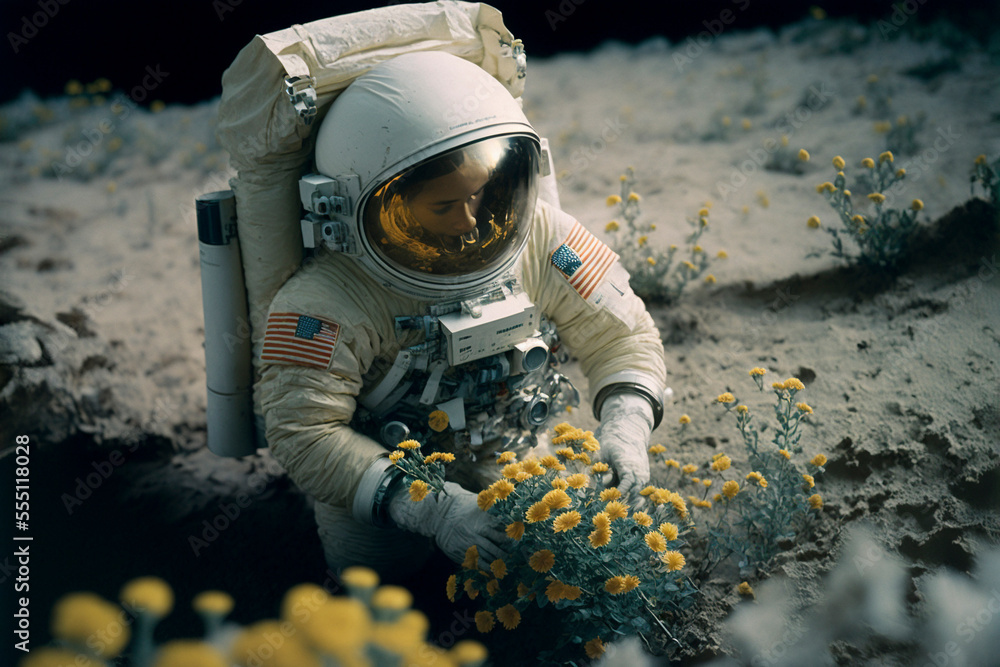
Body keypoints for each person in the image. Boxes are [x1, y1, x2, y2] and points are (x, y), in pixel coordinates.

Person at [256, 51, 667, 577]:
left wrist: (626, 427)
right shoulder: (325, 304)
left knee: (545, 569)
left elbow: (623, 335)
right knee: (382, 594)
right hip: (389, 475)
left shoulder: (547, 239)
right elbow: (304, 432)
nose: (470, 222)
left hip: (508, 443)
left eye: (478, 193)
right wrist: (431, 508)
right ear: (377, 207)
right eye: (443, 207)